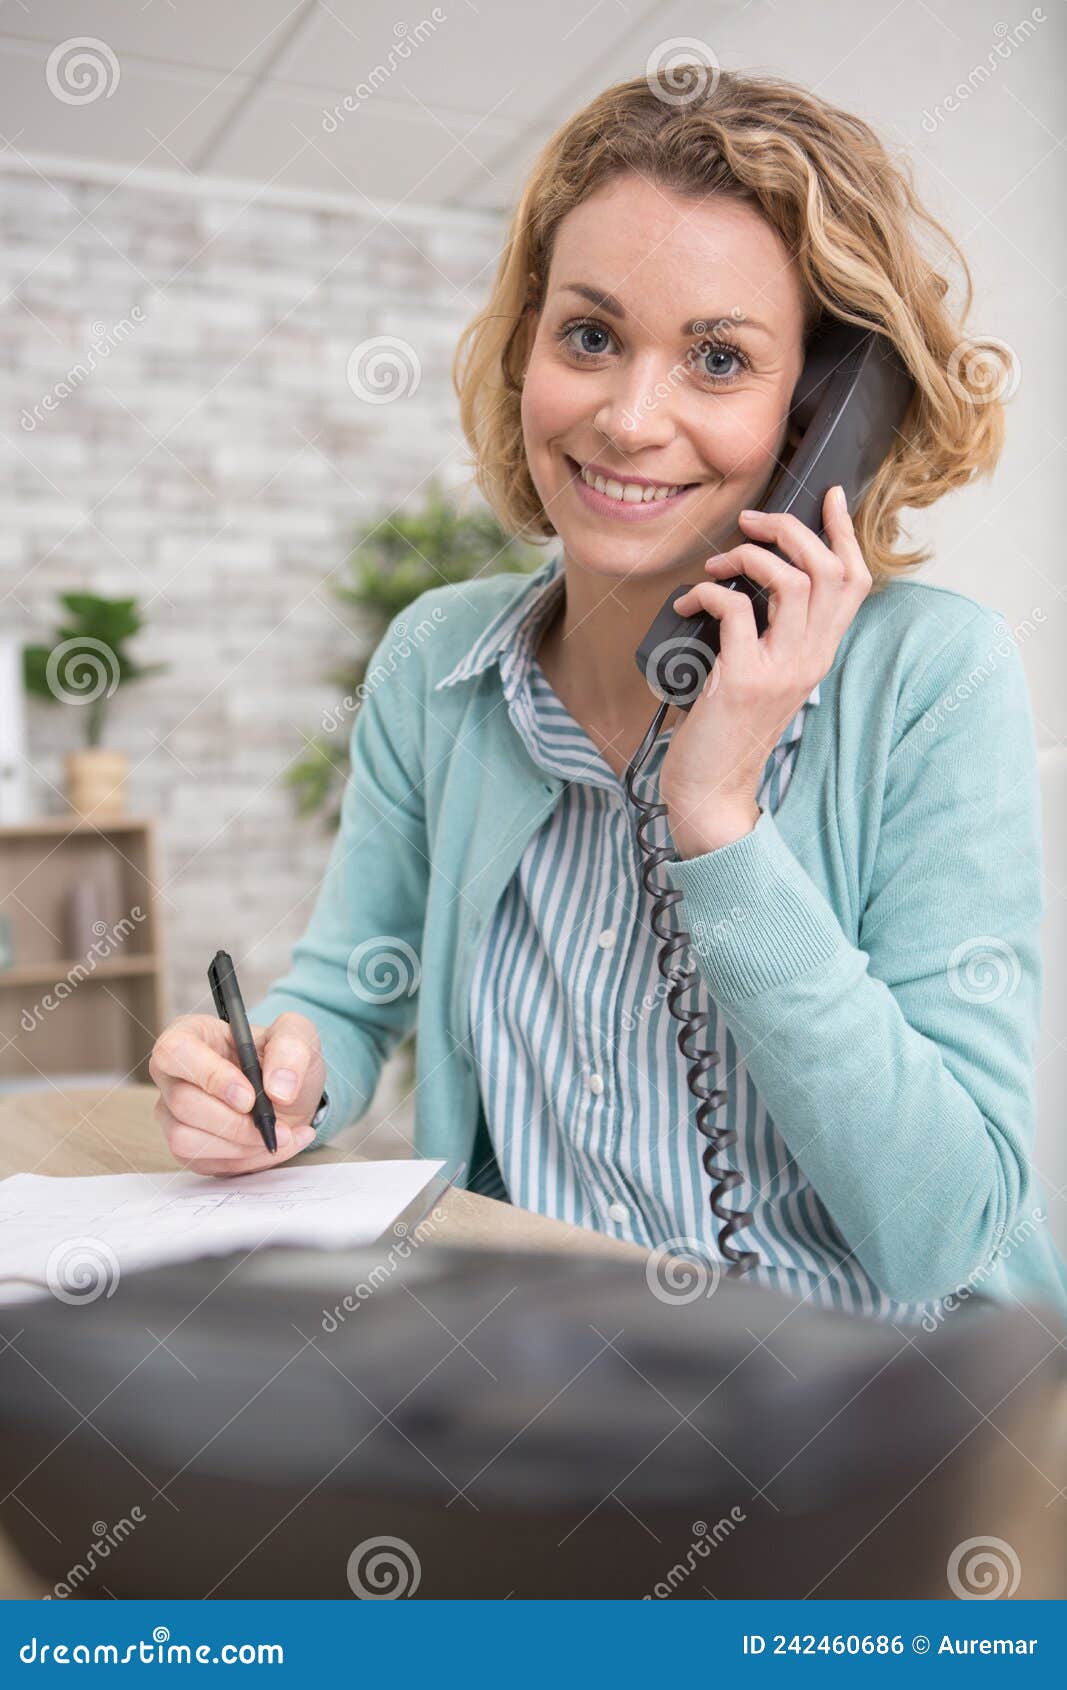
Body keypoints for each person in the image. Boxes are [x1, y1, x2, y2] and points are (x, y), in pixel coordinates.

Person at [149, 68, 1067, 1326]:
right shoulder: (437, 665)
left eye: (717, 358)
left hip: (868, 1436)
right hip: (530, 1390)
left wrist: (717, 815)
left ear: (820, 417)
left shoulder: (930, 680)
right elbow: (346, 994)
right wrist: (276, 1075)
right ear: (529, 344)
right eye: (589, 335)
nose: (629, 418)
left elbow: (944, 1233)